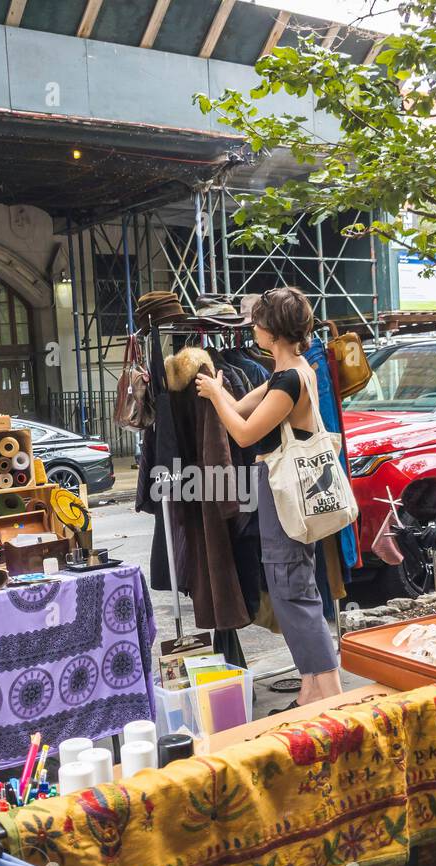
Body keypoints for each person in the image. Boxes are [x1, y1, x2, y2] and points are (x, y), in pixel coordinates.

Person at [194, 287, 343, 709]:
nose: (253, 328)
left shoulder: (289, 379)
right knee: (289, 588)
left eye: (258, 321)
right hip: (283, 493)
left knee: (292, 590)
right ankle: (311, 688)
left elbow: (242, 432)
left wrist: (213, 396)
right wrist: (218, 391)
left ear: (272, 330)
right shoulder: (290, 372)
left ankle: (328, 694)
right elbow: (241, 408)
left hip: (284, 495)